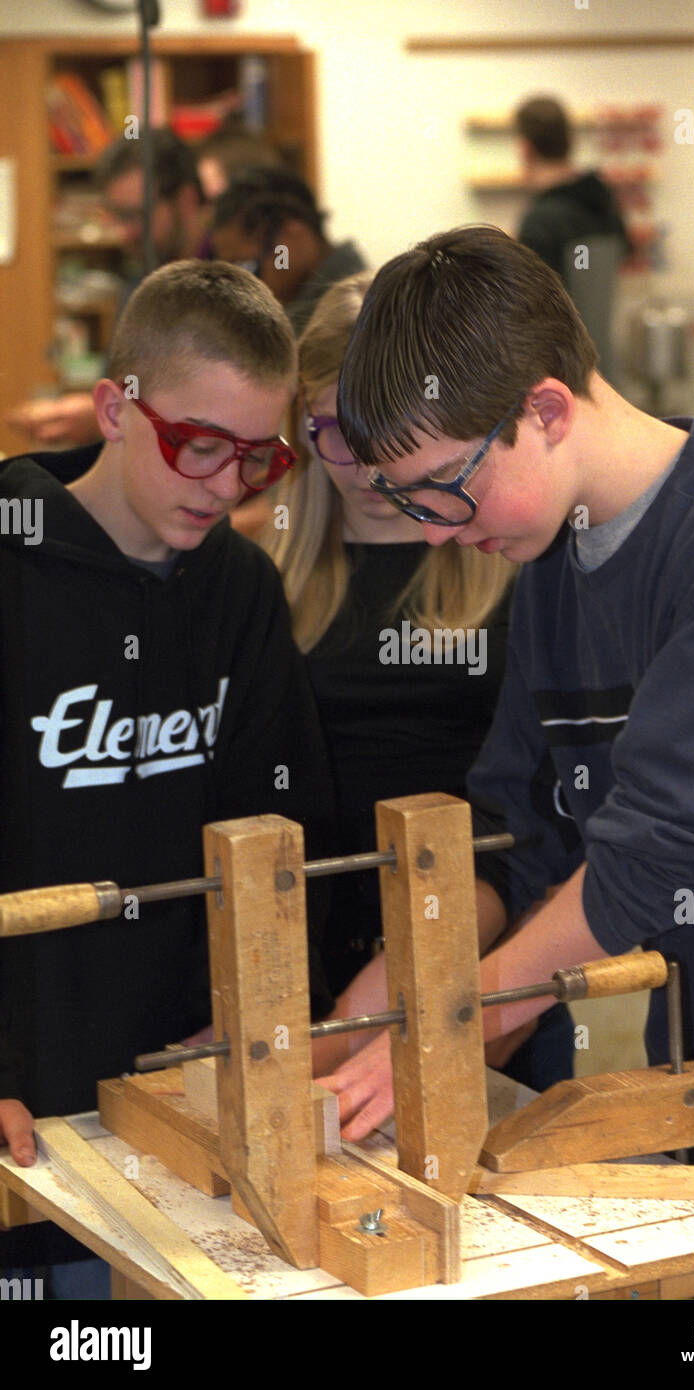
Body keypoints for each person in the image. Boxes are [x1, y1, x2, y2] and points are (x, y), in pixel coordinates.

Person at [318, 225, 694, 1300]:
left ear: (547, 408)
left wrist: (458, 1023)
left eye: (443, 486)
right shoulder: (558, 564)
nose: (433, 534)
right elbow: (515, 841)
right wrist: (360, 1024)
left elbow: (666, 845)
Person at [0, 259, 334, 1291]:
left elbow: (281, 827)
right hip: (21, 1099)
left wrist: (260, 1019)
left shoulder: (238, 589)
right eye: (197, 446)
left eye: (257, 459)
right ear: (113, 407)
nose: (225, 485)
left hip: (178, 1105)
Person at [261, 272, 575, 1089]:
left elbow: (553, 806)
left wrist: (512, 993)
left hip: (492, 943)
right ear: (300, 422)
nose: (368, 469)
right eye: (335, 432)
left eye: (390, 436)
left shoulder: (511, 558)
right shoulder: (266, 571)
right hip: (313, 951)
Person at [5, 132, 207, 451]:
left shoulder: (232, 286)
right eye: (117, 215)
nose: (125, 231)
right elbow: (122, 386)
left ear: (185, 200)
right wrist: (97, 410)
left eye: (136, 215)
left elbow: (211, 413)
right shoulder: (139, 284)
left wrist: (105, 416)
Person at [515, 95, 630, 380]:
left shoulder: (541, 222)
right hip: (608, 375)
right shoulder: (604, 204)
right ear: (570, 142)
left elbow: (532, 318)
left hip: (564, 383)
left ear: (525, 149)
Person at [210, 171, 366, 337]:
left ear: (292, 229)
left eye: (250, 266)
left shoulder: (348, 310)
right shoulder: (309, 306)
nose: (248, 285)